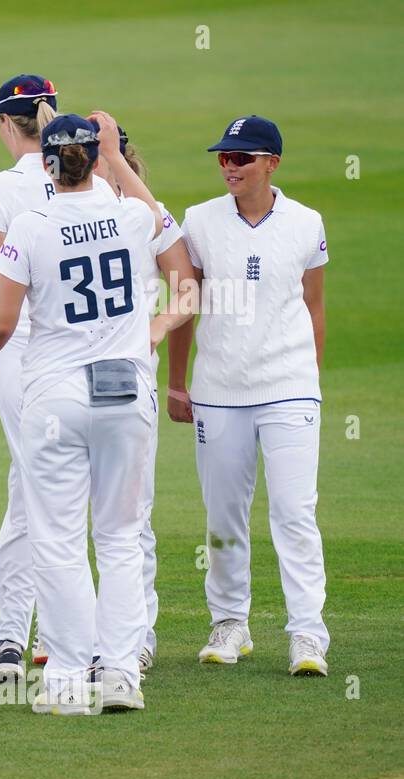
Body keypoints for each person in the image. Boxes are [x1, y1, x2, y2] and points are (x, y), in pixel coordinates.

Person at [0, 112, 192, 715]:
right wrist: (116, 157)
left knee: (59, 539)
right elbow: (169, 239)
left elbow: (3, 319)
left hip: (57, 395)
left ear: (47, 163)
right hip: (124, 390)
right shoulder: (131, 215)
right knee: (119, 537)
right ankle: (119, 673)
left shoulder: (30, 226)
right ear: (95, 158)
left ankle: (65, 676)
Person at [168, 115, 330, 676]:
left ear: (272, 163)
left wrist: (308, 380)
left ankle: (308, 633)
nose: (230, 167)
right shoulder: (199, 221)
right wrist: (177, 380)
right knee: (224, 517)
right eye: (223, 158)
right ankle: (230, 623)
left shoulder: (307, 223)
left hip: (289, 390)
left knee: (293, 512)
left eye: (241, 158)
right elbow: (185, 303)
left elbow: (313, 306)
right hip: (218, 392)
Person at [0, 73, 72, 681]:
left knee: (32, 488)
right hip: (87, 351)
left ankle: (19, 639)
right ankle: (58, 637)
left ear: (7, 124)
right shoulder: (88, 174)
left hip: (23, 350)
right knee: (58, 488)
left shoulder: (1, 186)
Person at [98, 127, 195, 674]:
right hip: (69, 383)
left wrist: (155, 329)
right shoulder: (62, 206)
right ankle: (82, 636)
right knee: (70, 514)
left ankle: (136, 634)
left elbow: (186, 287)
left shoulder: (150, 213)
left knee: (131, 514)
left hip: (127, 380)